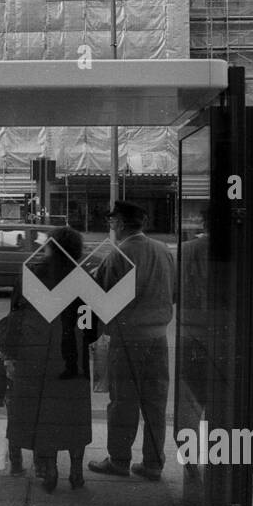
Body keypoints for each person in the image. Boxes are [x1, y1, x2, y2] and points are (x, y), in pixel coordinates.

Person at [89, 200, 177, 481]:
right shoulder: (164, 251)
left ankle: (119, 460)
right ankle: (153, 463)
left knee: (123, 401)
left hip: (128, 338)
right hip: (158, 337)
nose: (111, 227)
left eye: (112, 222)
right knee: (155, 402)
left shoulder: (118, 255)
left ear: (121, 224)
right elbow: (172, 291)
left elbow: (100, 296)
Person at [3, 226, 92, 492]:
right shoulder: (84, 276)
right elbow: (92, 323)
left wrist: (10, 354)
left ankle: (50, 470)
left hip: (36, 353)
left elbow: (15, 318)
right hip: (72, 356)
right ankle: (76, 472)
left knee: (45, 415)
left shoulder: (32, 273)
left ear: (51, 246)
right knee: (74, 414)